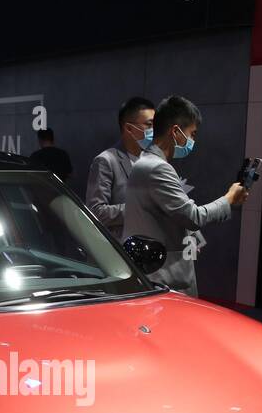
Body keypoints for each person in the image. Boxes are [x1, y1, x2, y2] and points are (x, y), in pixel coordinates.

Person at [122, 94, 248, 297]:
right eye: (193, 133)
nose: (193, 140)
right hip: (163, 276)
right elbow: (193, 217)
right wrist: (228, 200)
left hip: (155, 271)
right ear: (175, 131)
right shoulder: (157, 168)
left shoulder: (146, 163)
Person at [86, 96, 155, 234]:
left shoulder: (153, 159)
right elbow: (96, 211)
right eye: (149, 124)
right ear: (129, 128)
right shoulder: (106, 161)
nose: (154, 130)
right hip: (122, 249)